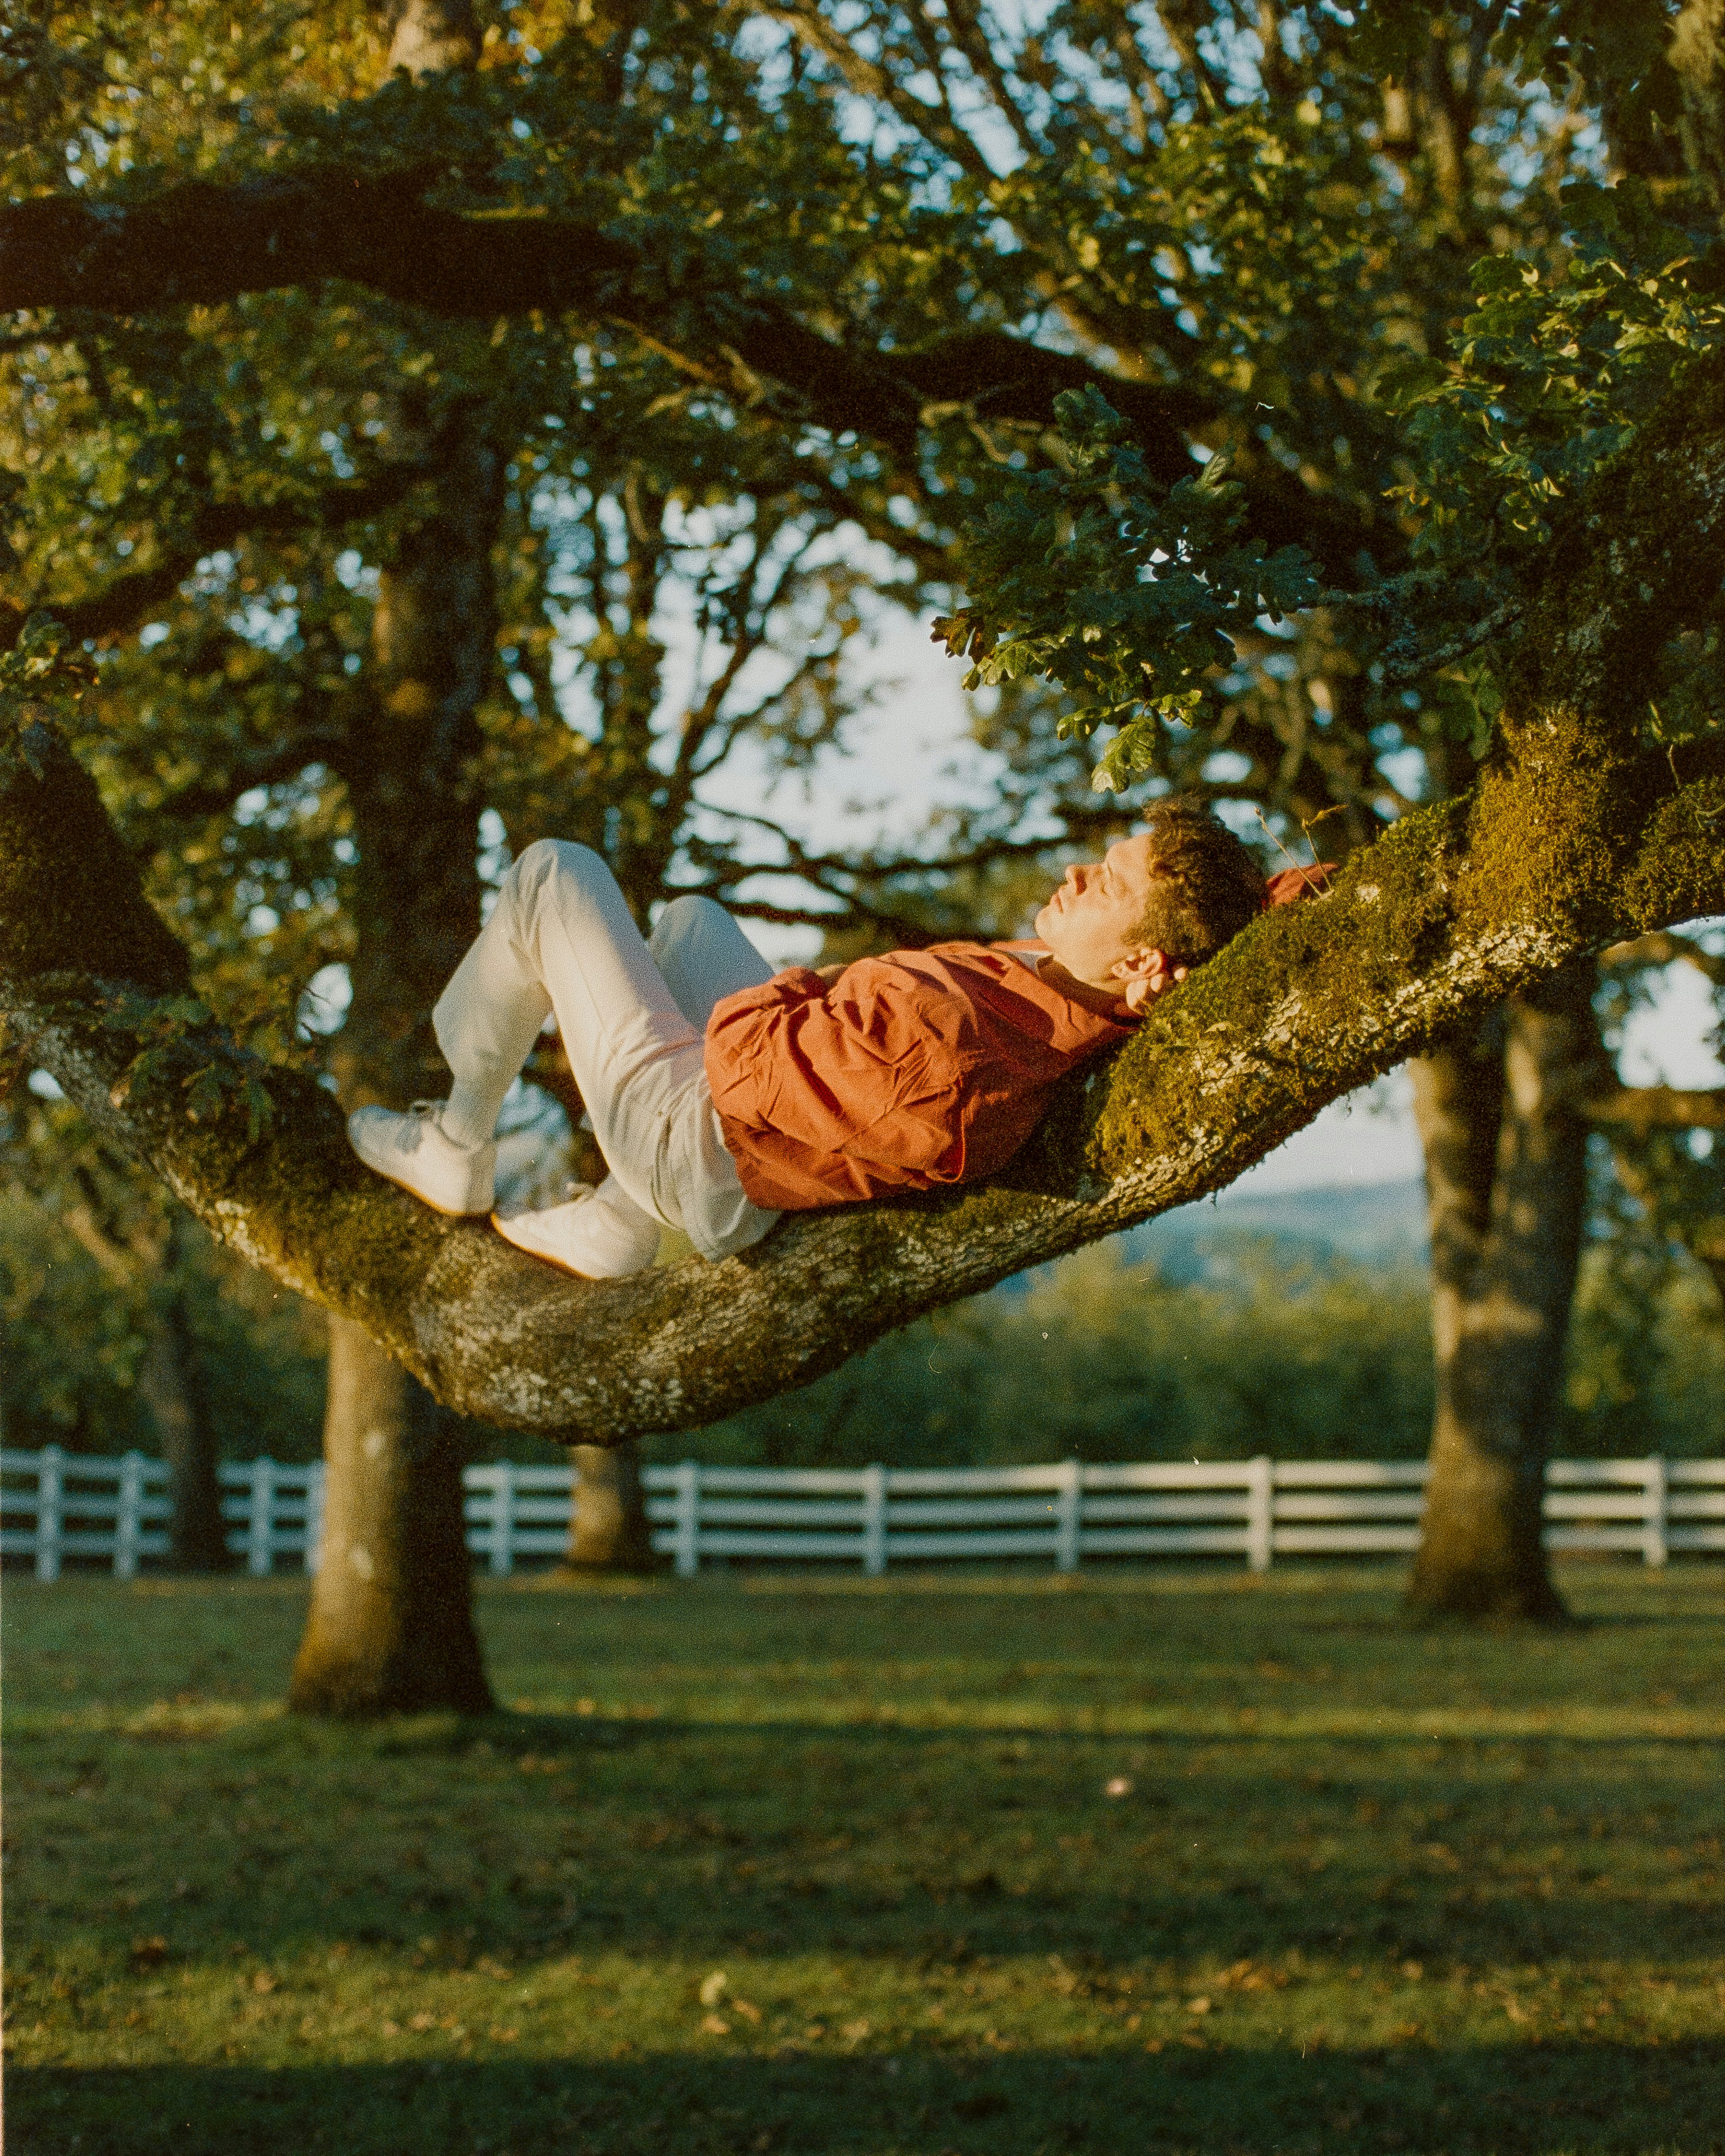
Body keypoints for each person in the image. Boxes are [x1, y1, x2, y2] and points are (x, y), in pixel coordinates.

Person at [348, 799, 1298, 1279]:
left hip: (698, 1140)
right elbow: (1229, 924)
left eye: (1113, 887)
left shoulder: (949, 1051)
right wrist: (1293, 890)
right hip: (763, 1102)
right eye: (1107, 856)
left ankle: (457, 1145)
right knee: (688, 924)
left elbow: (747, 1063)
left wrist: (809, 991)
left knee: (556, 873)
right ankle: (614, 1220)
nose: (1083, 872)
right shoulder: (1073, 987)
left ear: (1145, 965)